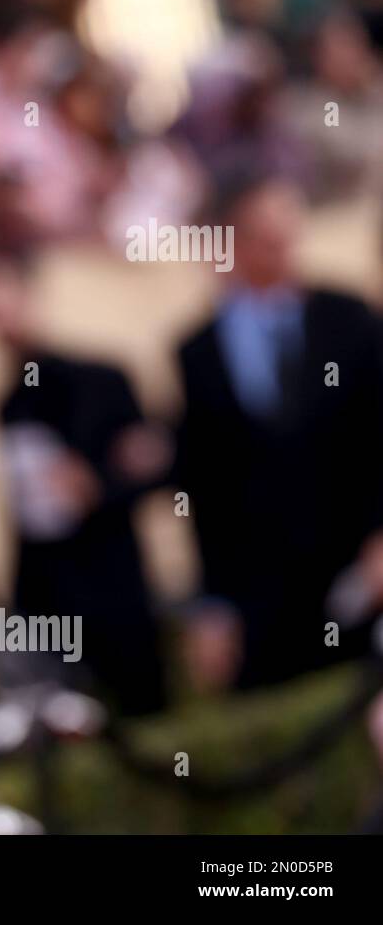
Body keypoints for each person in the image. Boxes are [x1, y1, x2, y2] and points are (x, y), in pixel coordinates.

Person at [174, 170, 383, 691]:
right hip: (264, 596)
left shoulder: (349, 319)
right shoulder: (197, 354)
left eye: (286, 232)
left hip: (358, 572)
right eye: (264, 236)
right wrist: (214, 603)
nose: (282, 248)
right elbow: (206, 485)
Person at [0, 247, 172, 717]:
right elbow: (22, 511)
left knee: (143, 709)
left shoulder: (99, 379)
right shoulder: (5, 405)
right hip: (53, 597)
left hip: (116, 586)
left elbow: (158, 465)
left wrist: (98, 486)